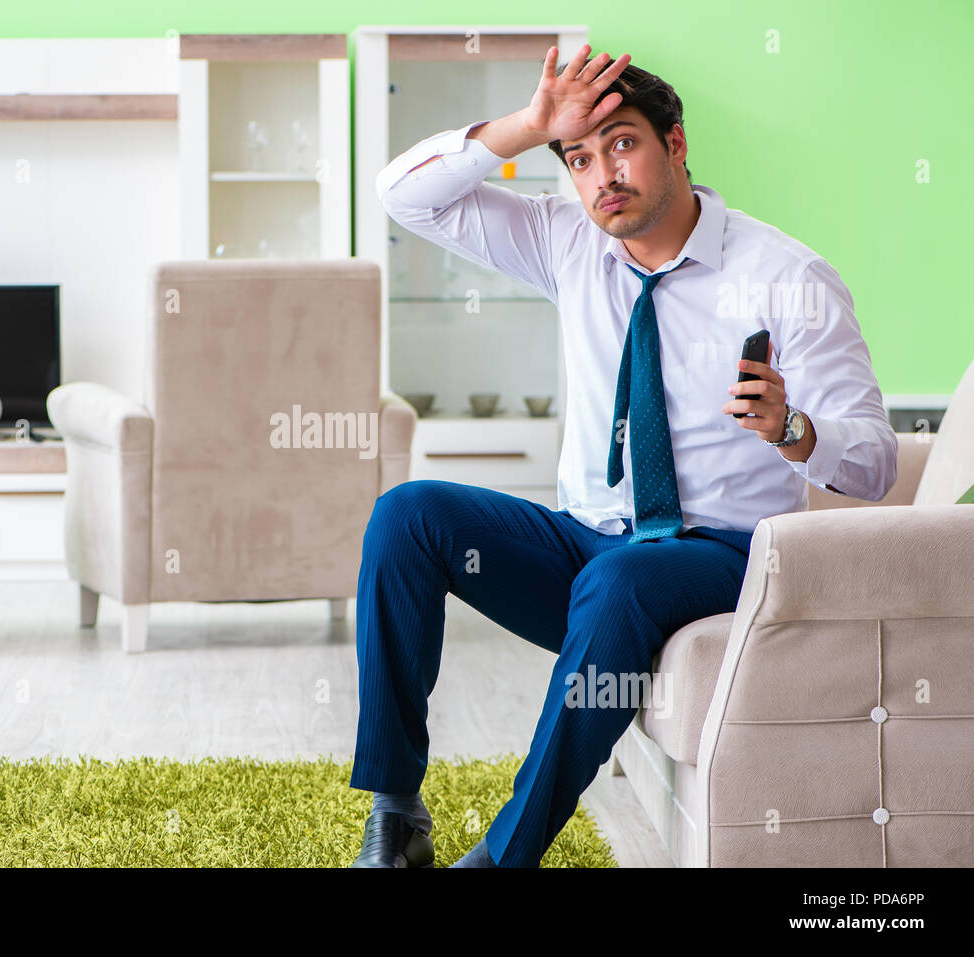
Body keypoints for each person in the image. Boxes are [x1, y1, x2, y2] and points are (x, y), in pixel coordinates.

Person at [349, 44, 897, 867]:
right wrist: (529, 125)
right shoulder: (566, 243)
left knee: (622, 577)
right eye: (578, 157)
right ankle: (397, 812)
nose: (602, 173)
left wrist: (793, 428)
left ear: (675, 145)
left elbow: (878, 462)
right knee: (407, 516)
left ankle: (504, 856)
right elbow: (404, 197)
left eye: (623, 144)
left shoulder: (788, 277)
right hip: (586, 541)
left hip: (723, 552)